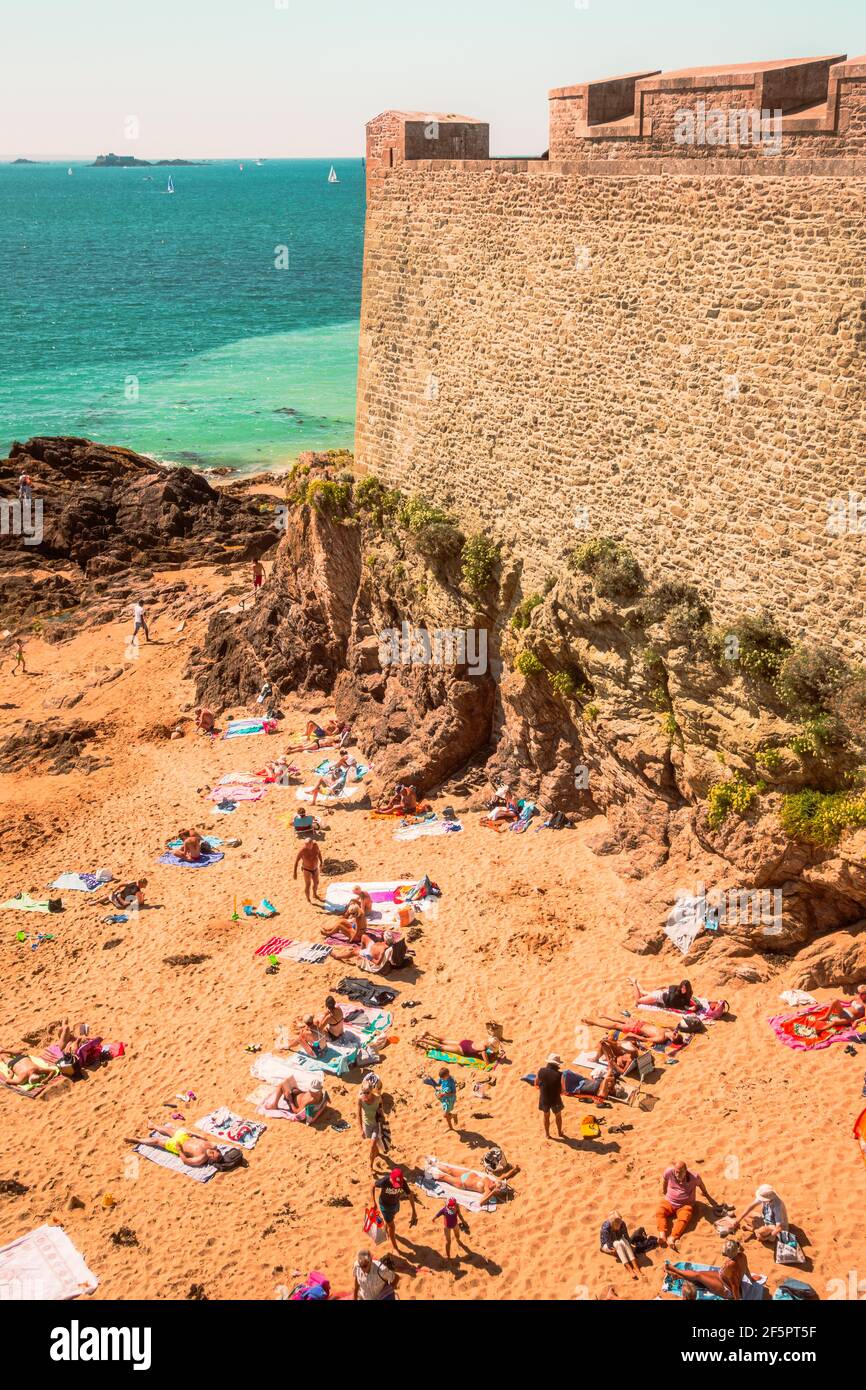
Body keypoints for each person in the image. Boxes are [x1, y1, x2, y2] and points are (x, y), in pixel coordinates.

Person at [657, 1161, 725, 1251]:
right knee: (660, 1211)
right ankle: (662, 1235)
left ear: (686, 1171)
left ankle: (672, 1238)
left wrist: (706, 1195)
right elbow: (665, 1180)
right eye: (676, 1171)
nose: (677, 1174)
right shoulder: (669, 1172)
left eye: (680, 1172)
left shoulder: (694, 1177)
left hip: (685, 1205)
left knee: (684, 1218)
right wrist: (664, 1191)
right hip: (670, 1201)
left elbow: (701, 1184)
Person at [125, 1127, 245, 1171]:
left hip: (178, 1145)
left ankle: (137, 1140)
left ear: (212, 1159)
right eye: (218, 1153)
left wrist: (179, 1150)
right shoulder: (212, 1146)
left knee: (157, 1141)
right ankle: (153, 1126)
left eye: (215, 1155)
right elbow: (202, 1137)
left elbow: (186, 1161)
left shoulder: (201, 1158)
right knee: (169, 1130)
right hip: (185, 1137)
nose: (216, 1152)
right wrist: (194, 1133)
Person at [665, 1241, 751, 1301]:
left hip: (726, 1289)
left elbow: (734, 1286)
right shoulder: (742, 1255)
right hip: (722, 1279)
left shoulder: (730, 1266)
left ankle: (675, 1269)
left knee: (698, 1276)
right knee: (699, 1275)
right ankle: (678, 1276)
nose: (722, 1252)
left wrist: (737, 1299)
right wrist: (751, 1279)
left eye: (724, 1251)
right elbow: (746, 1268)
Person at [372, 1168, 418, 1251]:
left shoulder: (402, 1182)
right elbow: (373, 1186)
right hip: (384, 1206)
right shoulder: (385, 1181)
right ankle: (395, 1247)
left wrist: (414, 1212)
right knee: (392, 1227)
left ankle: (386, 1225)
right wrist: (374, 1202)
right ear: (390, 1178)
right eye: (394, 1183)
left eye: (398, 1184)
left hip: (395, 1204)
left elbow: (410, 1195)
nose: (396, 1186)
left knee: (391, 1219)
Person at [425, 1159, 509, 1203]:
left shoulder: (488, 1191)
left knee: (443, 1177)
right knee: (449, 1169)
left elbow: (481, 1203)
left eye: (495, 1185)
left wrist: (492, 1194)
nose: (494, 1182)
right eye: (496, 1182)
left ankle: (427, 1175)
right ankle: (433, 1163)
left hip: (462, 1182)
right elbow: (504, 1176)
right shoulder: (492, 1181)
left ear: (496, 1190)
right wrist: (515, 1170)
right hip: (467, 1174)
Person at [414, 1031, 505, 1065]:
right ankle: (423, 1040)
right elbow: (487, 1062)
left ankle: (429, 1034)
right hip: (463, 1050)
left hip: (466, 1042)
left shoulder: (485, 1041)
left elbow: (489, 1049)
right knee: (441, 1047)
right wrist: (491, 1061)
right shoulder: (484, 1050)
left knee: (444, 1040)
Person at [600, 1212, 643, 1281]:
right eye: (618, 1223)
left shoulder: (622, 1223)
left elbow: (626, 1236)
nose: (620, 1224)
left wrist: (628, 1245)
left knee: (625, 1242)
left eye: (620, 1222)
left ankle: (635, 1266)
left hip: (618, 1238)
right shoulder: (606, 1228)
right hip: (607, 1244)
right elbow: (609, 1244)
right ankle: (629, 1268)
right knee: (618, 1244)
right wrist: (615, 1251)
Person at [262, 1077, 326, 1122]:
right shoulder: (320, 1094)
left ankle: (274, 1104)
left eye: (313, 1091)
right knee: (287, 1081)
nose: (312, 1092)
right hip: (297, 1095)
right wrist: (299, 1091)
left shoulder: (309, 1101)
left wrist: (290, 1100)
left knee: (281, 1086)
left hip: (292, 1101)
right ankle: (292, 1092)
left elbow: (297, 1112)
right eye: (311, 1090)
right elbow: (306, 1094)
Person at [358, 1073, 387, 1169]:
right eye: (363, 1092)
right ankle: (377, 1152)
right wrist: (361, 1129)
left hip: (376, 1124)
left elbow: (381, 1109)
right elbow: (359, 1114)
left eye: (367, 1092)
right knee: (372, 1142)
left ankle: (370, 1164)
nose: (365, 1095)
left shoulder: (378, 1098)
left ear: (371, 1091)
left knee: (372, 1145)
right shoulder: (360, 1100)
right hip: (367, 1125)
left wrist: (383, 1121)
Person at [535, 1053, 565, 1140]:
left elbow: (536, 1084)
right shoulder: (560, 1075)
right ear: (557, 1064)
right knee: (558, 1116)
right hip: (555, 1099)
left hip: (544, 1098)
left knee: (546, 1116)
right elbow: (563, 1091)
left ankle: (547, 1134)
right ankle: (559, 1132)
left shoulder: (540, 1070)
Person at [434, 1197, 469, 1263]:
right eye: (449, 1206)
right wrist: (434, 1218)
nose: (451, 1207)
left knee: (457, 1235)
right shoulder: (445, 1209)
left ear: (455, 1204)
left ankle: (458, 1240)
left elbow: (460, 1215)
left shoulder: (457, 1207)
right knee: (448, 1242)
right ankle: (448, 1256)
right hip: (447, 1227)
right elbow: (439, 1213)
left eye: (453, 1205)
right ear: (447, 1205)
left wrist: (464, 1222)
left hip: (455, 1225)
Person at [629, 977, 694, 1010]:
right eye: (682, 987)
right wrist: (656, 990)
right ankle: (634, 982)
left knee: (642, 992)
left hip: (661, 993)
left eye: (685, 988)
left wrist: (692, 1007)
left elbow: (686, 1002)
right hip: (658, 996)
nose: (682, 989)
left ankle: (636, 983)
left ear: (688, 989)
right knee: (639, 1000)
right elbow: (665, 986)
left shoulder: (689, 993)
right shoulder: (676, 993)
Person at [294, 836, 323, 903]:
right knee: (308, 884)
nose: (306, 846)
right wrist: (295, 873)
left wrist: (321, 862)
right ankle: (308, 899)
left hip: (315, 868)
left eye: (308, 845)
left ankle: (315, 894)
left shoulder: (315, 846)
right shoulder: (302, 850)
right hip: (307, 869)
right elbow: (296, 861)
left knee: (316, 882)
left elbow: (319, 853)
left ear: (312, 843)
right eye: (305, 845)